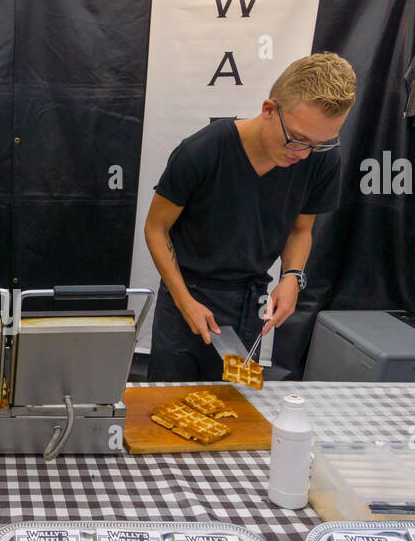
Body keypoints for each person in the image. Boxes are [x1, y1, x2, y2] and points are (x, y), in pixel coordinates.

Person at [143, 52, 356, 381]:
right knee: (167, 404)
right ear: (269, 109)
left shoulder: (322, 157)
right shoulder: (203, 150)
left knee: (237, 410)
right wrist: (184, 301)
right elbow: (156, 229)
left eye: (318, 144)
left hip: (248, 304)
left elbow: (301, 229)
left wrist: (291, 276)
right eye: (296, 139)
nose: (302, 154)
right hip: (185, 295)